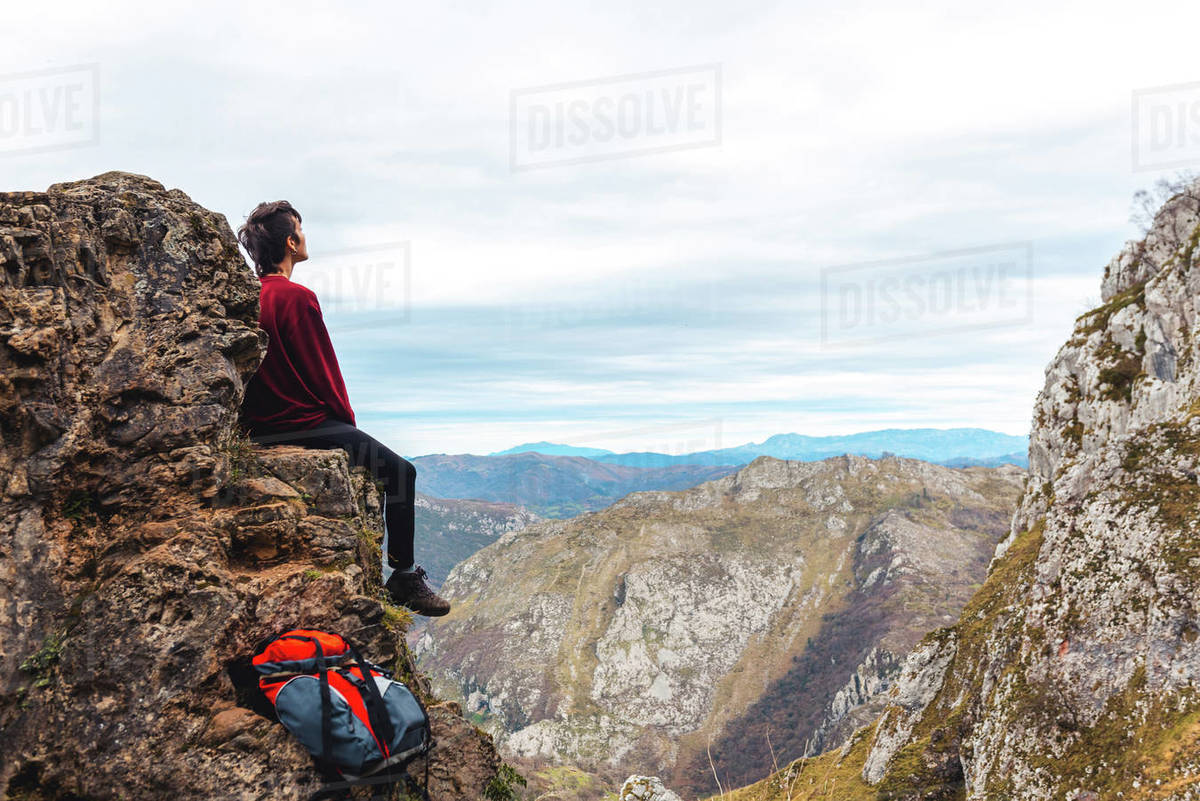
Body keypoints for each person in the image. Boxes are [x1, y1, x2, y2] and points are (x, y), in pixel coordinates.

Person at [235, 200, 449, 617]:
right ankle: (403, 575)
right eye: (301, 230)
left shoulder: (249, 298)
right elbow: (321, 370)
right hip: (302, 421)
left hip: (260, 426)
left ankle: (402, 575)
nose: (305, 237)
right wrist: (345, 423)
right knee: (401, 471)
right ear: (291, 242)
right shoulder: (297, 297)